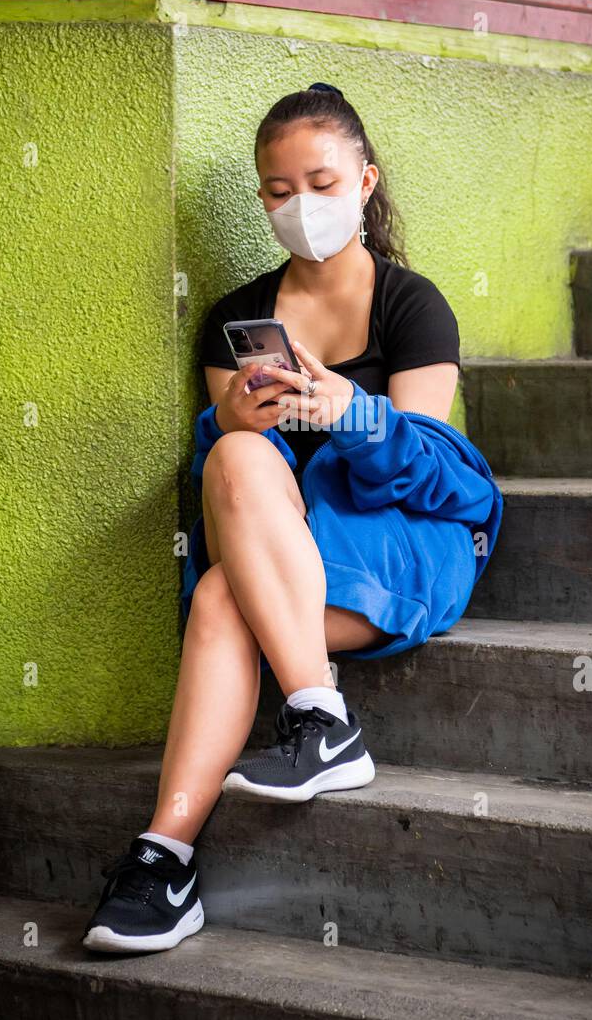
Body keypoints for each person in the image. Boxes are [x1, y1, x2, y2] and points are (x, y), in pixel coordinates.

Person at [82, 83, 502, 954]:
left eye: (320, 183)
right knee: (233, 457)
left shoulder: (411, 306)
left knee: (221, 599)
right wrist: (234, 421)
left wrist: (354, 413)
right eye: (278, 191)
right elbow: (237, 490)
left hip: (395, 543)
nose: (300, 206)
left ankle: (164, 858)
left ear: (365, 181)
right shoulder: (235, 321)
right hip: (285, 544)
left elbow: (435, 481)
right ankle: (318, 718)